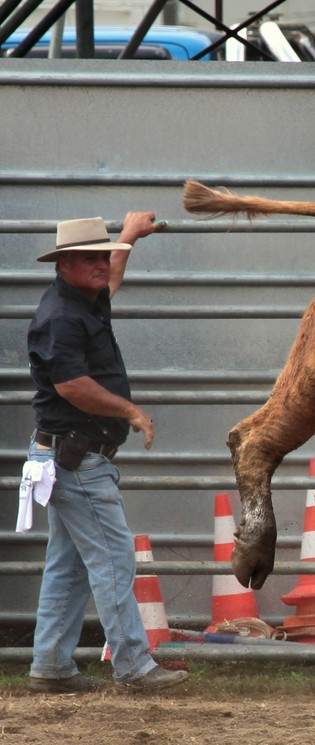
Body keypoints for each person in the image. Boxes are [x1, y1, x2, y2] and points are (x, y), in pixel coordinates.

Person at [24, 214, 190, 694]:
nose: (103, 265)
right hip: (78, 459)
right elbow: (71, 385)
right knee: (115, 559)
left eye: (103, 255)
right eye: (91, 258)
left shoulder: (84, 300)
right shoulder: (60, 317)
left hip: (67, 457)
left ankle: (51, 665)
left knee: (69, 563)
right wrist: (130, 411)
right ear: (65, 264)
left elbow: (111, 277)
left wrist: (128, 238)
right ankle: (134, 666)